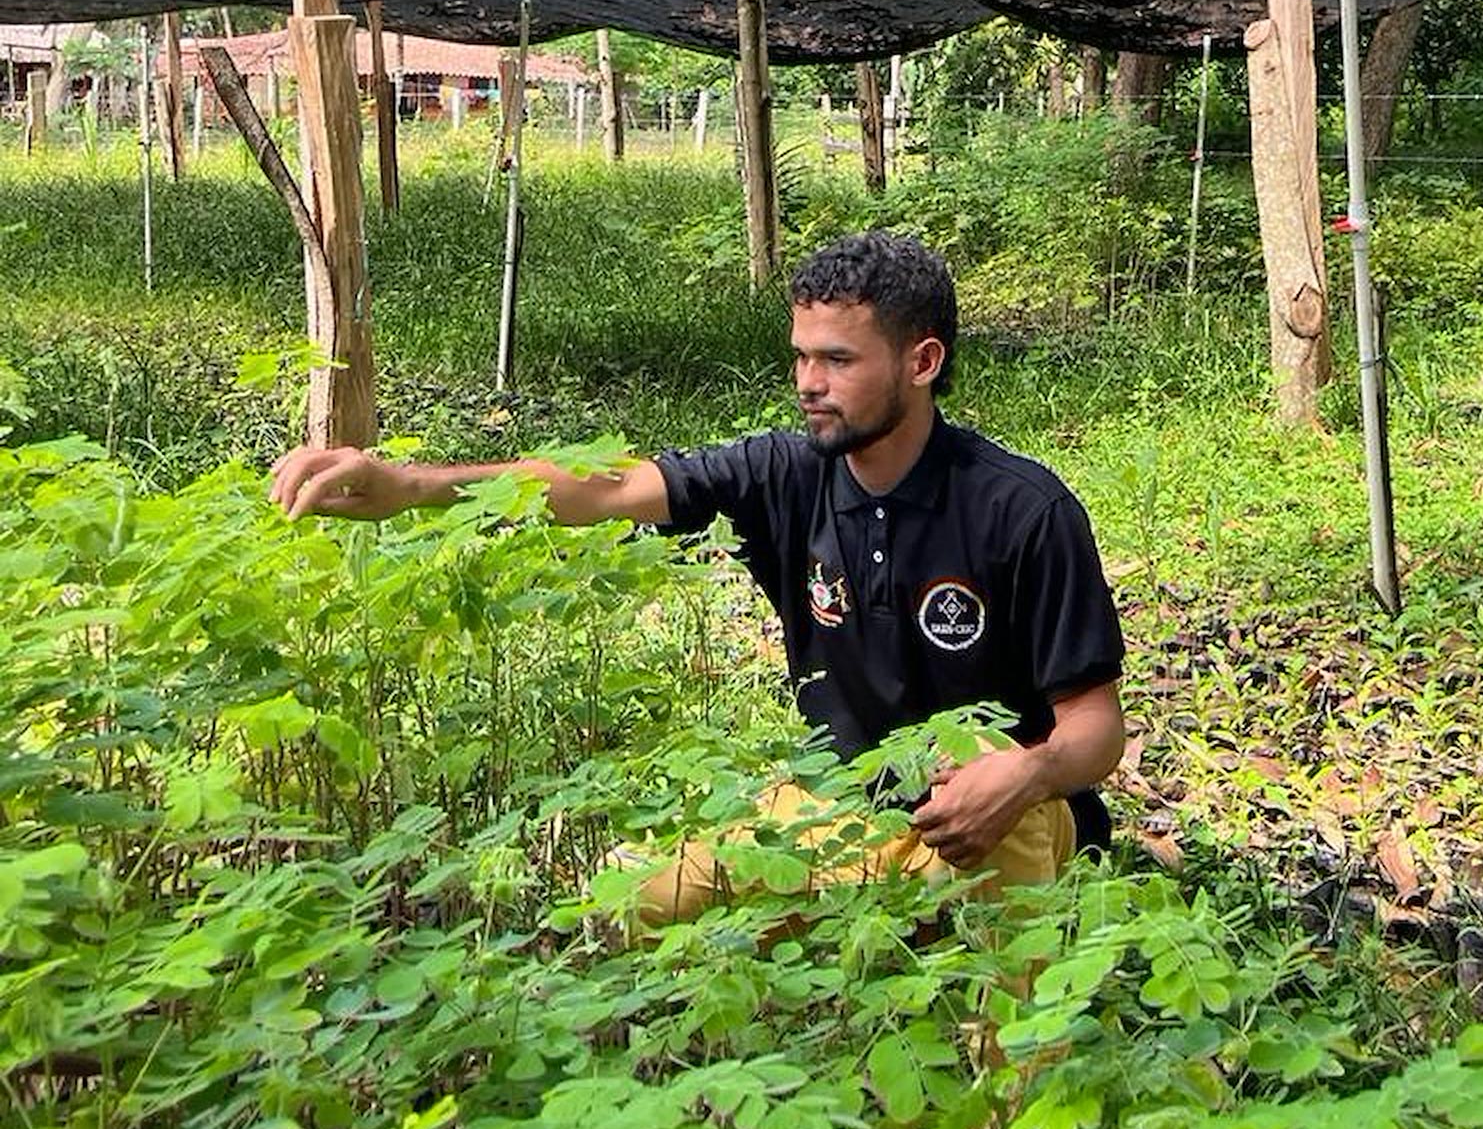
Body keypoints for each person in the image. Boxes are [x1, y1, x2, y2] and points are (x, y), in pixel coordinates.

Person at [272, 230, 1126, 920]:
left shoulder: (1022, 510)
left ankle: (1013, 1057)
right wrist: (411, 487)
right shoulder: (782, 475)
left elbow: (1096, 730)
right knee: (636, 898)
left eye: (837, 361)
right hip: (838, 811)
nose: (808, 384)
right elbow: (604, 489)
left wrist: (1027, 773)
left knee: (993, 778)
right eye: (800, 357)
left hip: (1000, 823)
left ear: (922, 361)